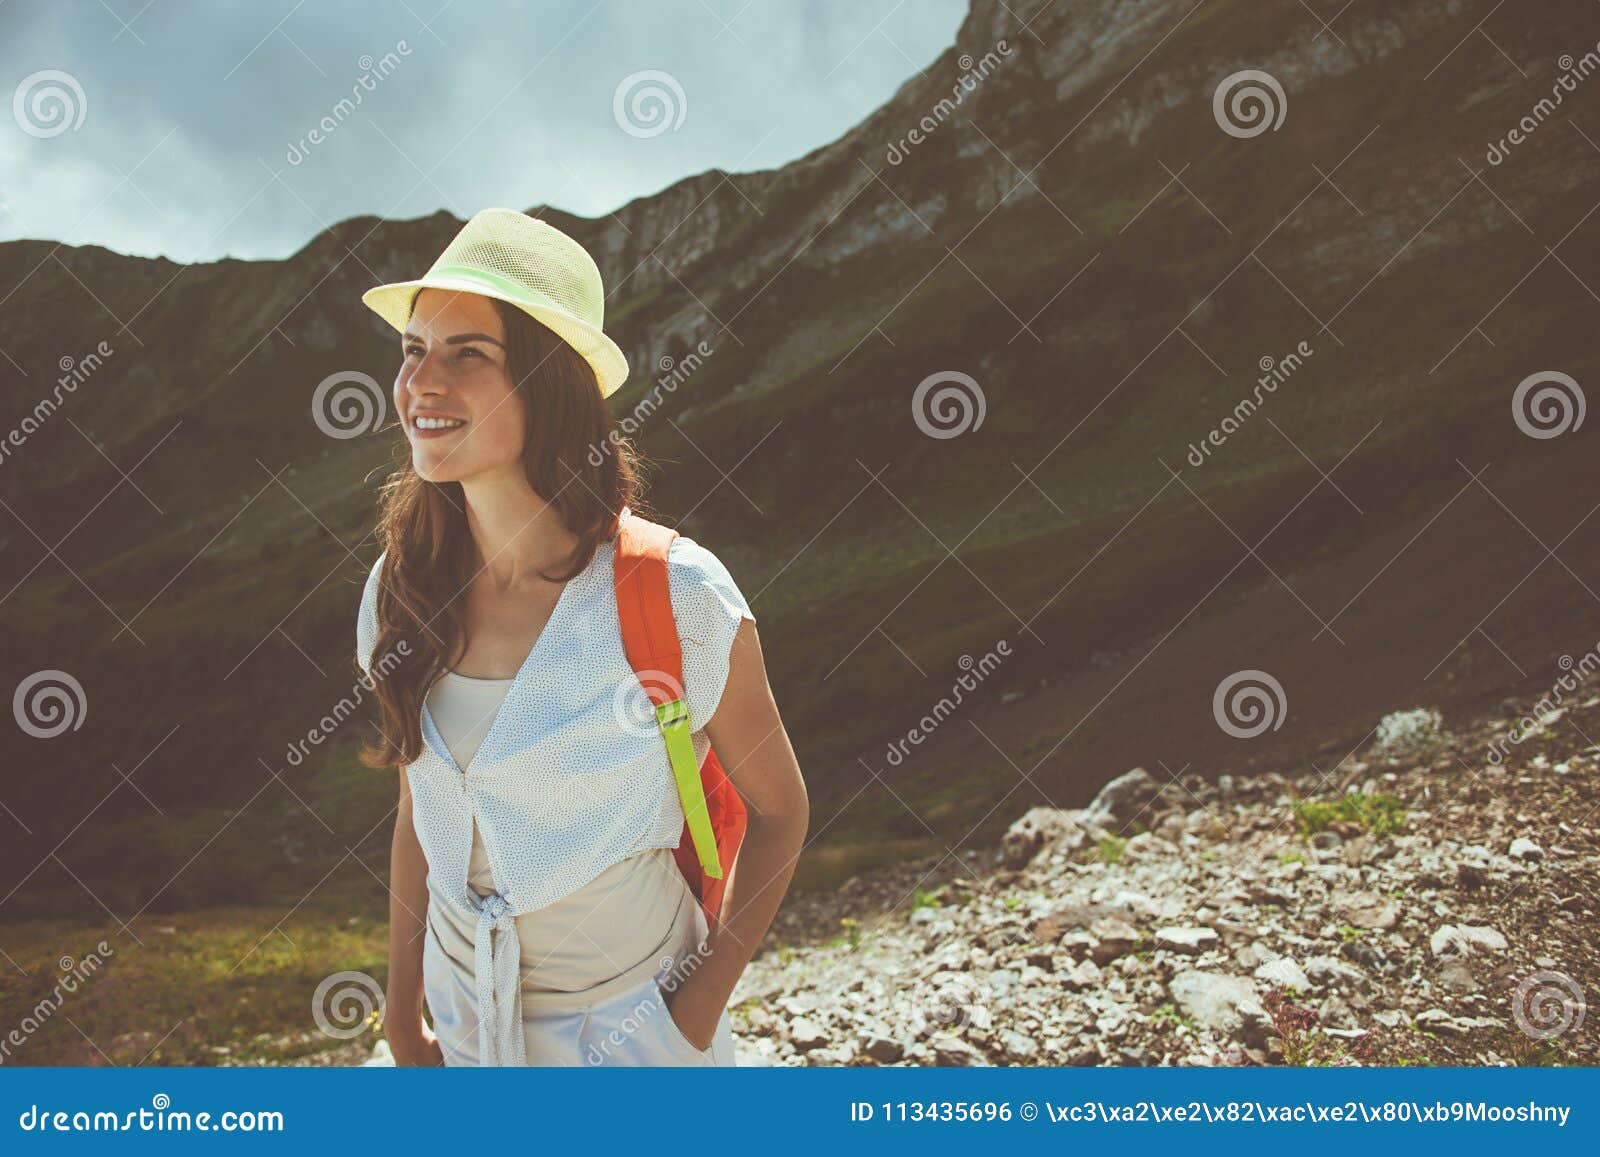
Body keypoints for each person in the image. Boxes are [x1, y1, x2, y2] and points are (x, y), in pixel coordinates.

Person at [352, 207, 809, 1066]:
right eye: (414, 348)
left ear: (548, 386)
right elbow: (424, 809)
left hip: (631, 1035)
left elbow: (781, 812)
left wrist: (692, 1017)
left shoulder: (677, 595)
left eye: (468, 353)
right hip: (457, 1024)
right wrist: (399, 1012)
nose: (423, 381)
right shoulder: (398, 590)